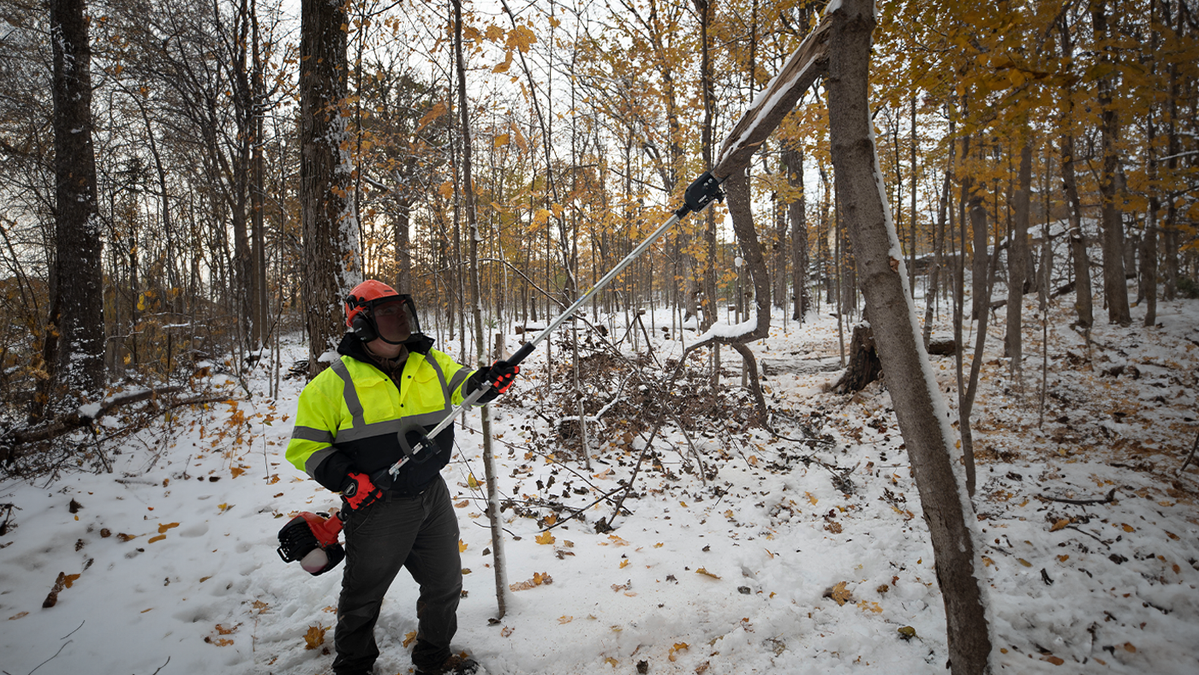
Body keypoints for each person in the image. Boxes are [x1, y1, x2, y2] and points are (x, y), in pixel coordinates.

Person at [286, 279, 518, 675]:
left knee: (444, 584)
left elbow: (467, 386)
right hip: (377, 506)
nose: (399, 318)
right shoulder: (332, 384)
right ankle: (354, 664)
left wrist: (488, 382)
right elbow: (304, 448)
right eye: (386, 312)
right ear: (361, 324)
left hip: (431, 494)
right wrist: (347, 479)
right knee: (364, 594)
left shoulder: (430, 362)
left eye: (401, 309)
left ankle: (433, 656)